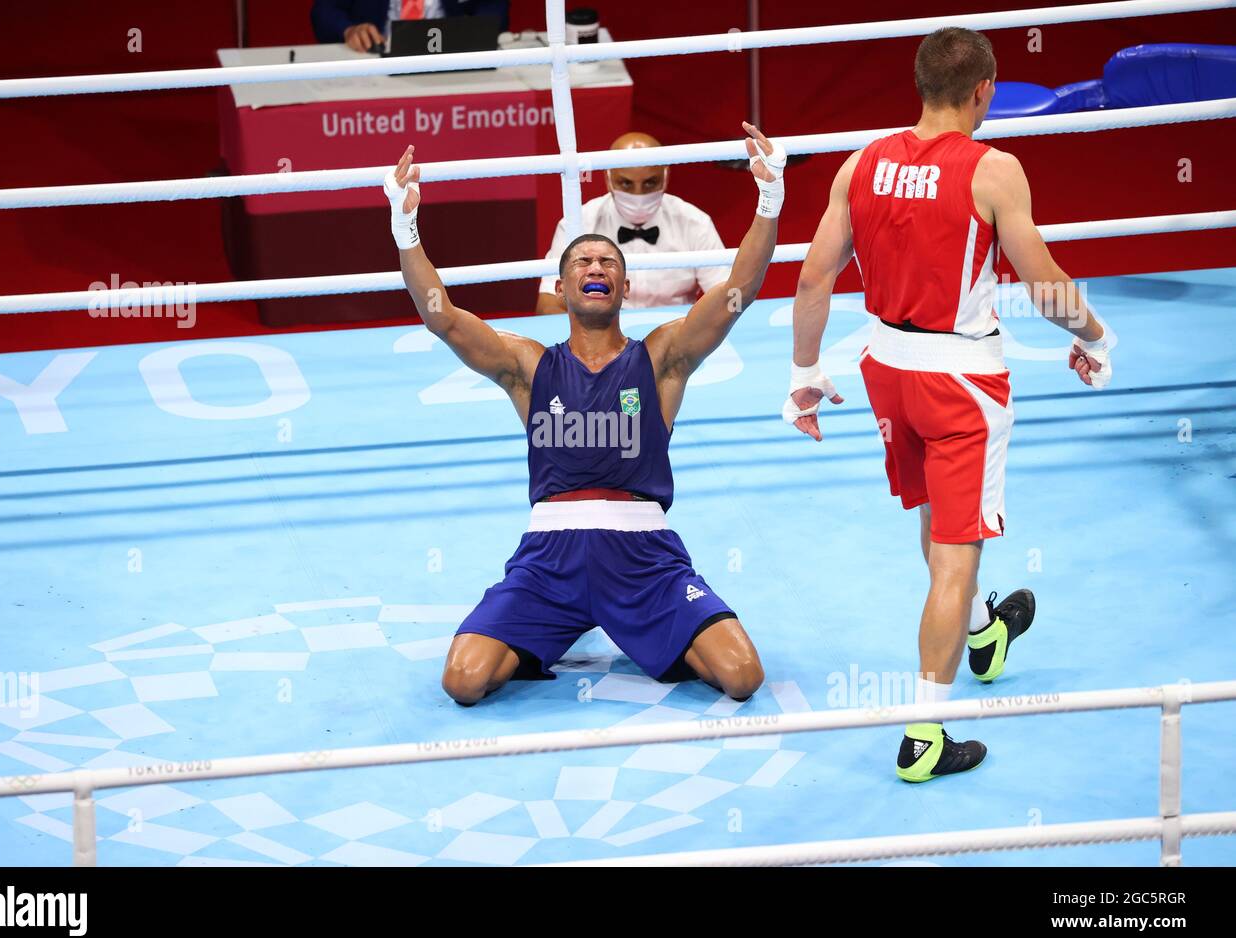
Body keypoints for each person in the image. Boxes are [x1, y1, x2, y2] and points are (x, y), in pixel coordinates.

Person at [783, 27, 1116, 782]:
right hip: (961, 382)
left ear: (919, 85)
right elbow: (1043, 281)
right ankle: (925, 737)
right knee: (956, 556)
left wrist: (803, 372)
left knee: (939, 522)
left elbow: (812, 280)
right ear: (984, 91)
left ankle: (984, 639)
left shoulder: (862, 161)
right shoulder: (995, 170)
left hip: (885, 370)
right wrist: (1097, 335)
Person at [383, 123, 787, 704]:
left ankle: (638, 625)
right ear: (562, 282)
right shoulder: (527, 366)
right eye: (583, 261)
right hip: (549, 561)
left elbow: (737, 292)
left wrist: (768, 200)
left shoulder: (662, 359)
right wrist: (406, 227)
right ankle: (566, 625)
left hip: (645, 561)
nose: (595, 267)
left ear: (624, 286)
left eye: (607, 262)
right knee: (464, 680)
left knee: (743, 676)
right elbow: (441, 316)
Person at [535, 132, 732, 314]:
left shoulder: (694, 222)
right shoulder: (578, 223)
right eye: (626, 184)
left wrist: (696, 335)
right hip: (601, 340)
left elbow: (729, 297)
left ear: (665, 176)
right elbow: (548, 305)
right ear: (608, 177)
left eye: (650, 183)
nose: (638, 195)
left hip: (678, 338)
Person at [311, 0, 510, 52]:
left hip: (454, 57)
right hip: (378, 56)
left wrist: (475, 30)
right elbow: (324, 11)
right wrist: (349, 30)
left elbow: (494, 5)